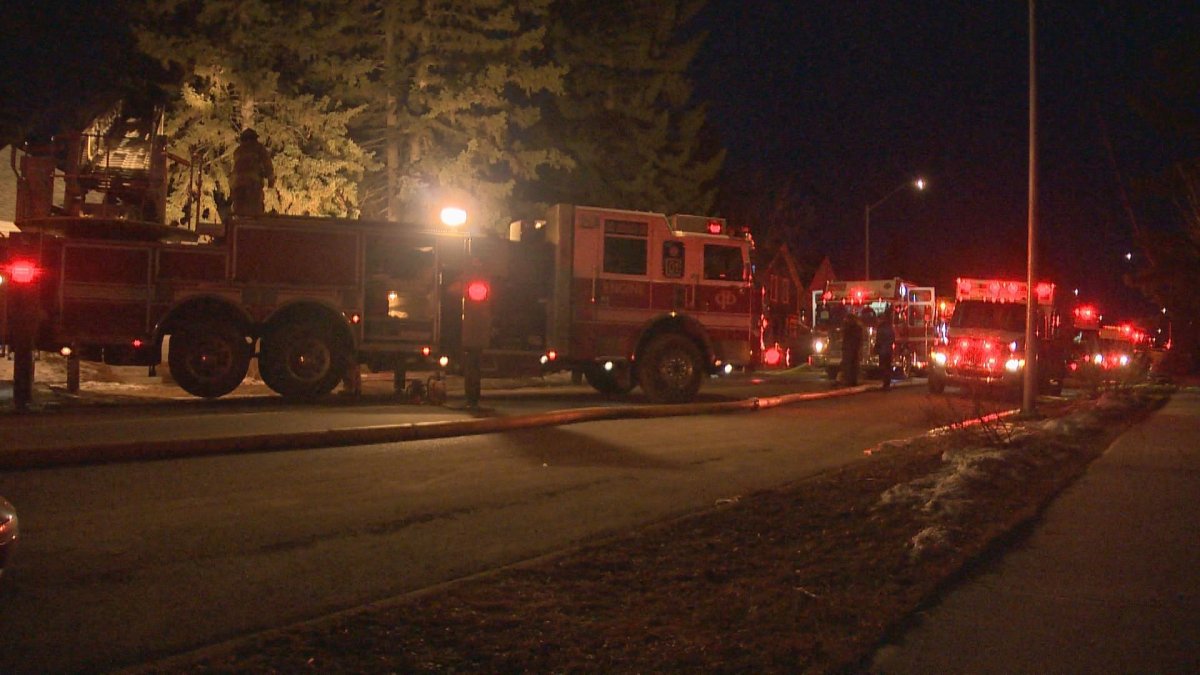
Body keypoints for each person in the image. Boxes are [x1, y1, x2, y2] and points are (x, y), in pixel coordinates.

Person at [231, 128, 275, 217]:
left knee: (240, 211)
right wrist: (271, 181)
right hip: (253, 185)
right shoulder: (259, 148)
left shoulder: (238, 151)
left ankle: (240, 224)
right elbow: (267, 165)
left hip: (238, 186)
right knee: (255, 212)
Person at [876, 308, 896, 390]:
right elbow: (893, 338)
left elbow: (878, 340)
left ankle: (885, 384)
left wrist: (876, 348)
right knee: (888, 367)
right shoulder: (890, 327)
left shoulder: (880, 329)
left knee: (883, 367)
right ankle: (887, 384)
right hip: (888, 350)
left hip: (883, 351)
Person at [841, 313, 863, 386]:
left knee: (849, 365)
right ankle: (852, 380)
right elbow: (859, 339)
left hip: (850, 348)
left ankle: (849, 380)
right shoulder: (858, 328)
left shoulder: (848, 327)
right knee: (853, 365)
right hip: (854, 348)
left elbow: (846, 338)